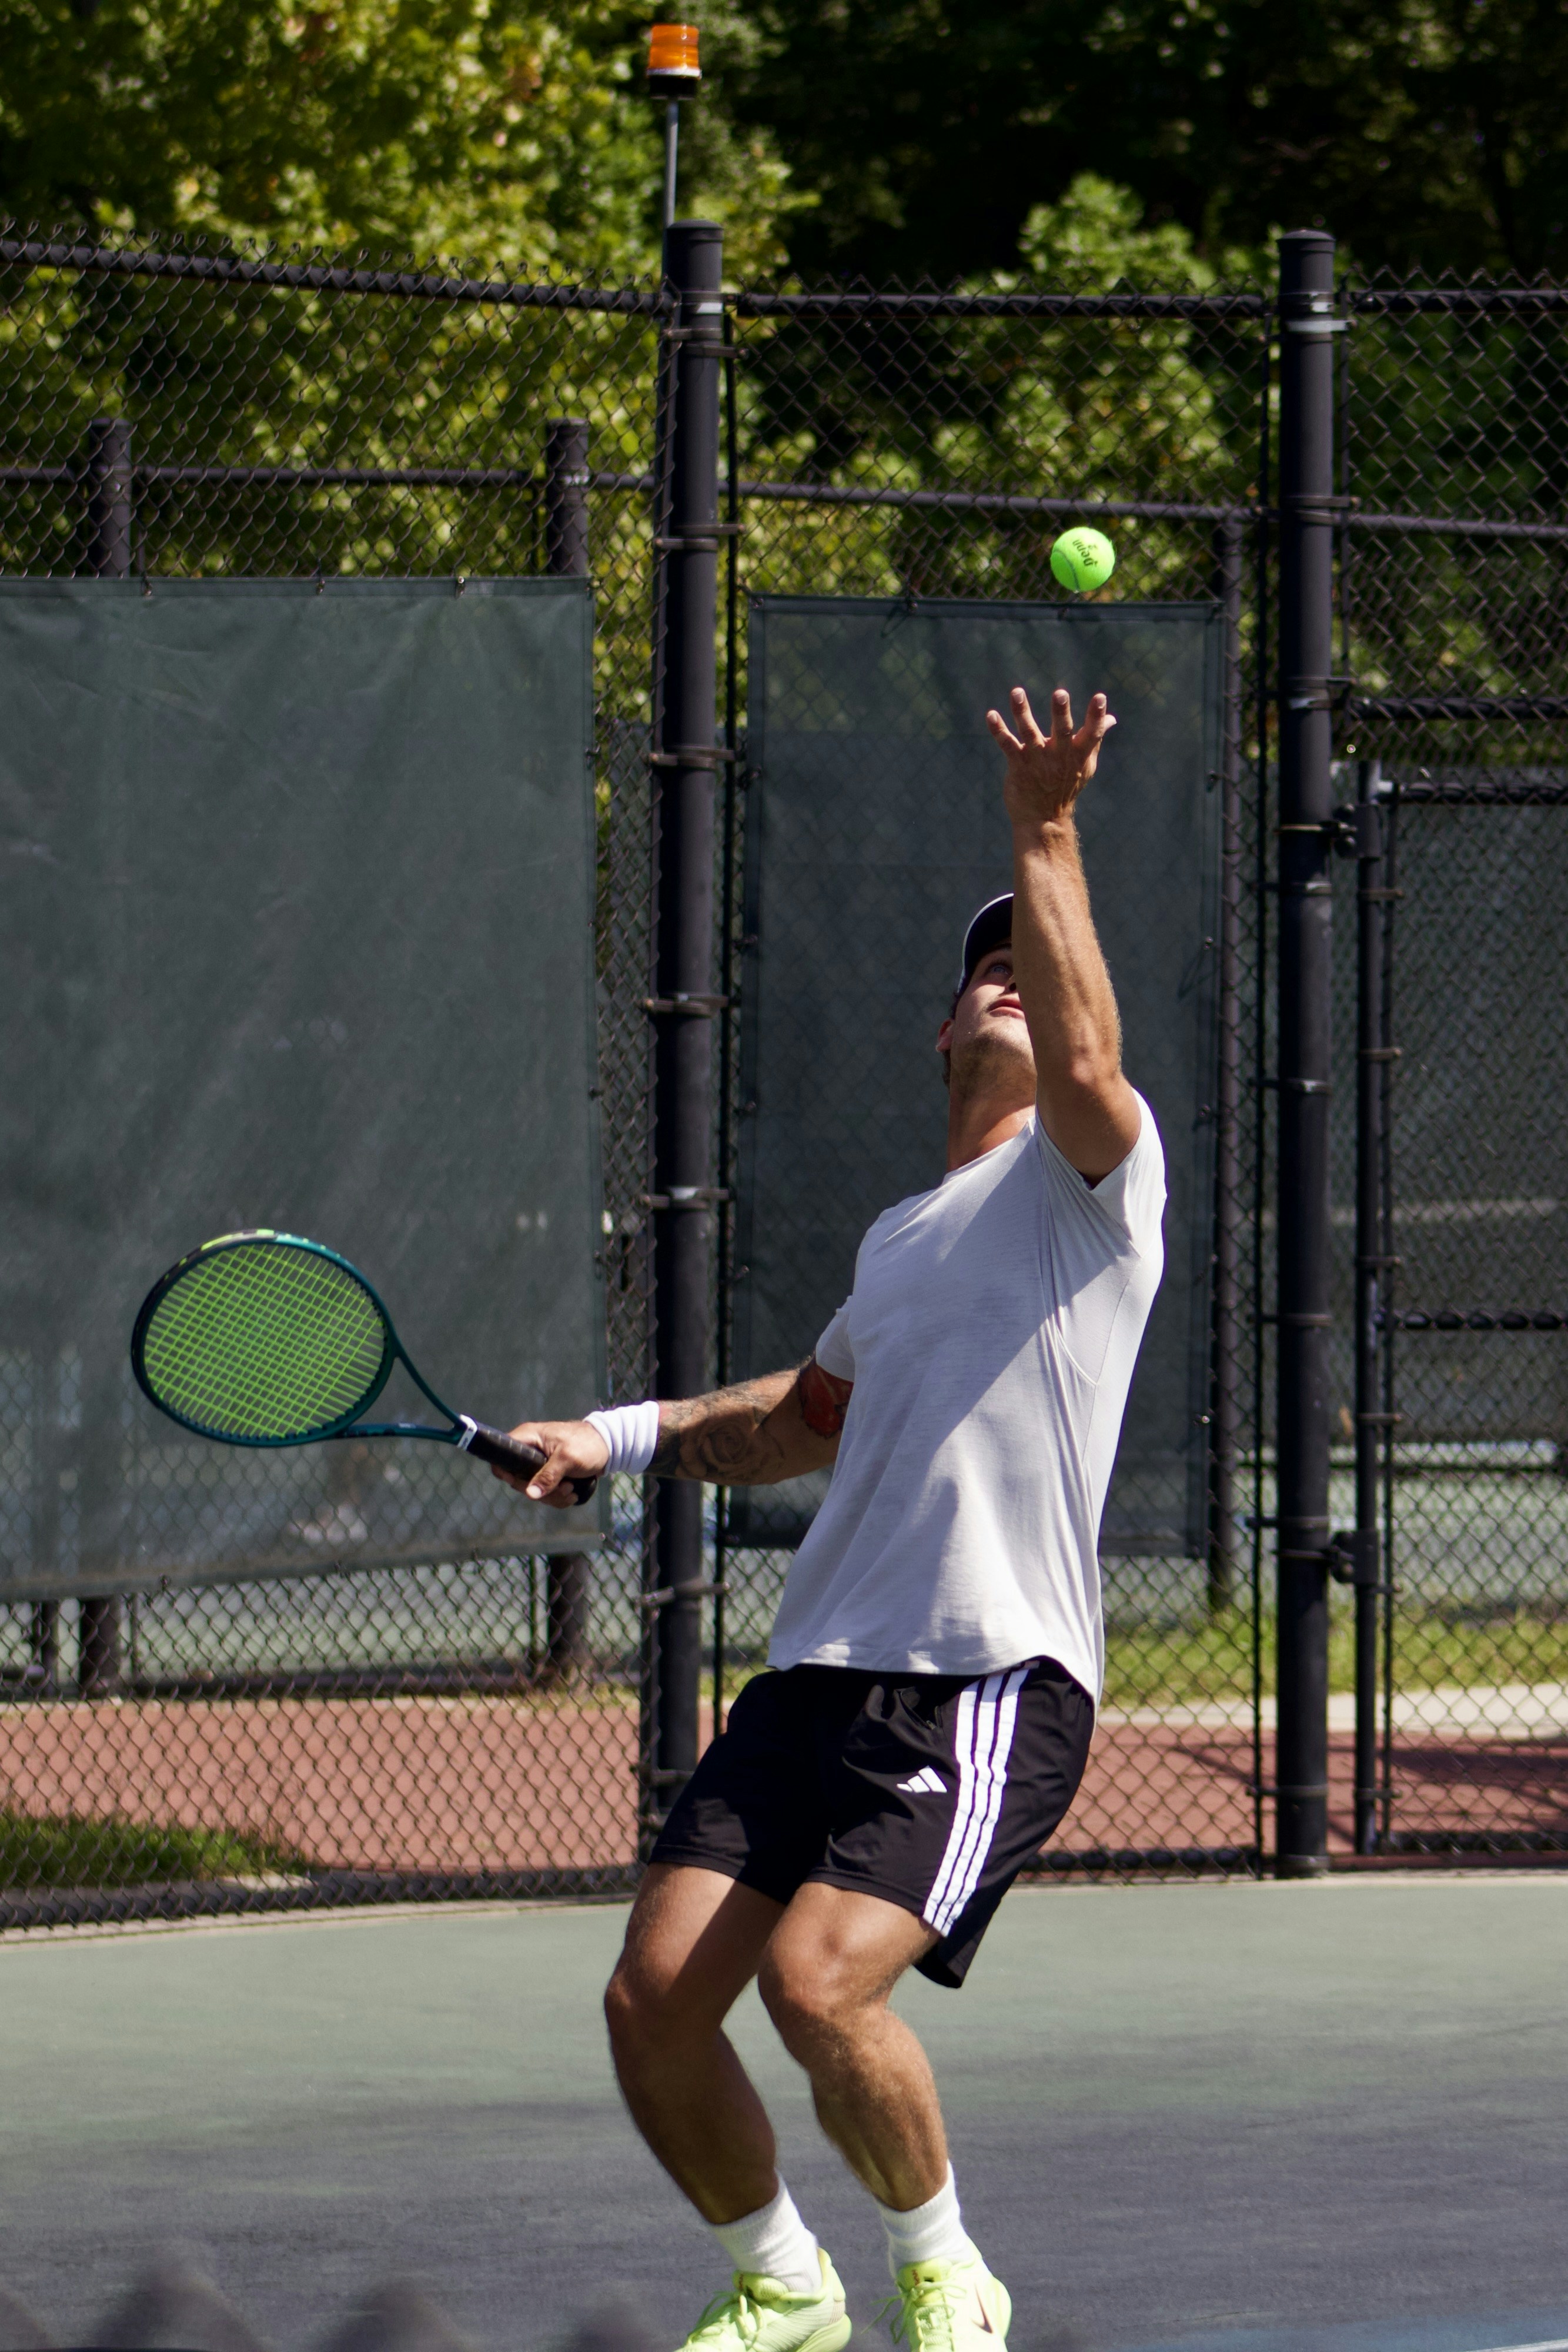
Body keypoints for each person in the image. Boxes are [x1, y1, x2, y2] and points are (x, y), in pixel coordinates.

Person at [496, 685, 1166, 2352]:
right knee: (654, 2002)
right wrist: (616, 1434)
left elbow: (1084, 1051)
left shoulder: (1097, 1184)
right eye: (981, 965)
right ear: (940, 1034)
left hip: (987, 1677)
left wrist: (1045, 822)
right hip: (814, 1679)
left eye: (1036, 957)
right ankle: (782, 2287)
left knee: (816, 1981)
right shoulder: (901, 1239)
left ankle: (942, 2273)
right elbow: (799, 1420)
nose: (1007, 975)